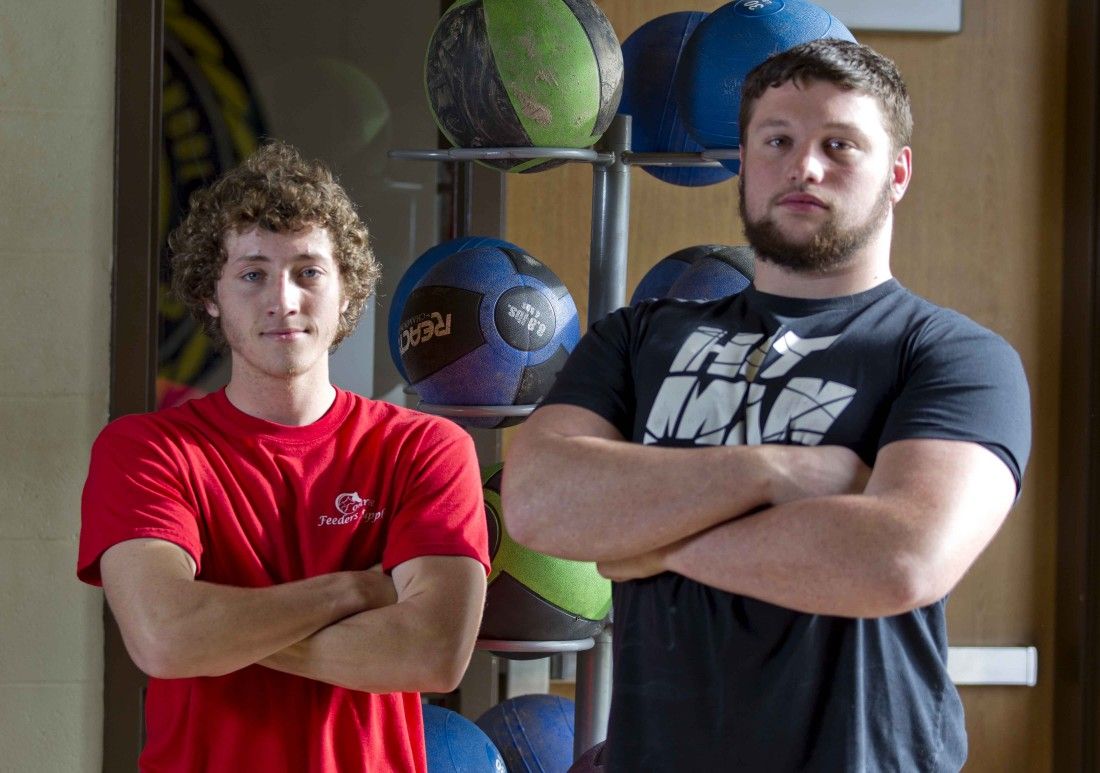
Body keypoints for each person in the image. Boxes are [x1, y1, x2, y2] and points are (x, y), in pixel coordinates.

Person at [503, 39, 1030, 772]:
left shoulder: (953, 355)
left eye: (839, 145)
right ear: (744, 163)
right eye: (777, 140)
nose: (803, 166)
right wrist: (770, 472)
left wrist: (645, 544)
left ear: (897, 173)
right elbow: (536, 501)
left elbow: (901, 558)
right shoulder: (638, 338)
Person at [77, 141, 489, 772]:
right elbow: (164, 639)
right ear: (210, 295)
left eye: (309, 271)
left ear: (347, 292)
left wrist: (215, 630)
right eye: (253, 273)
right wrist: (354, 591)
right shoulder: (147, 451)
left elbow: (431, 654)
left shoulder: (424, 449)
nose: (284, 299)